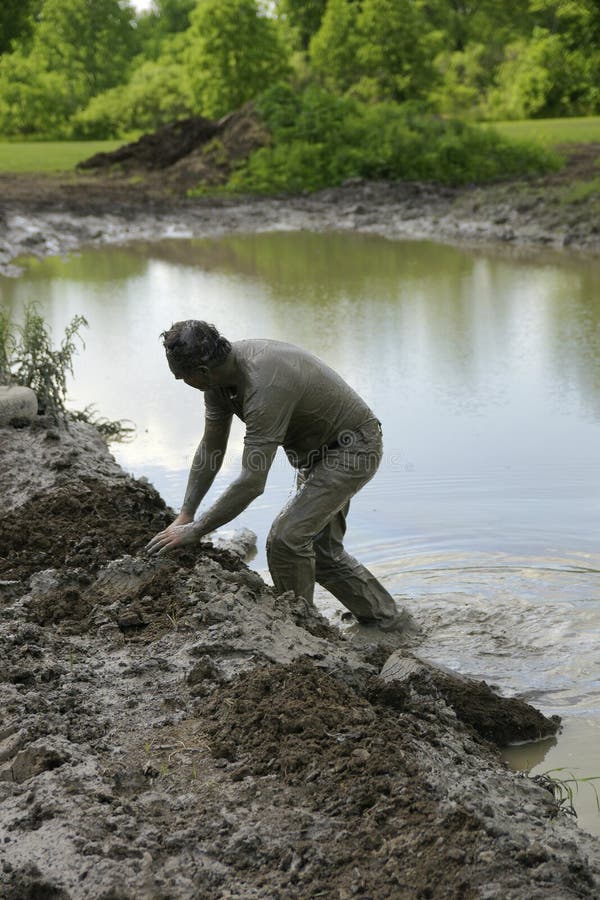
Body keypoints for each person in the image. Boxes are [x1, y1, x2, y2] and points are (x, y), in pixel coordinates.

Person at [146, 320, 412, 631]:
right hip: (319, 456)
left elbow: (251, 482)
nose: (183, 383)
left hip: (352, 448)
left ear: (202, 372)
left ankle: (300, 631)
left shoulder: (264, 385)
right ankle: (388, 620)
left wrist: (198, 529)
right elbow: (211, 448)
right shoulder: (218, 382)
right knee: (319, 551)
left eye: (182, 378)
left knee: (287, 538)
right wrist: (186, 514)